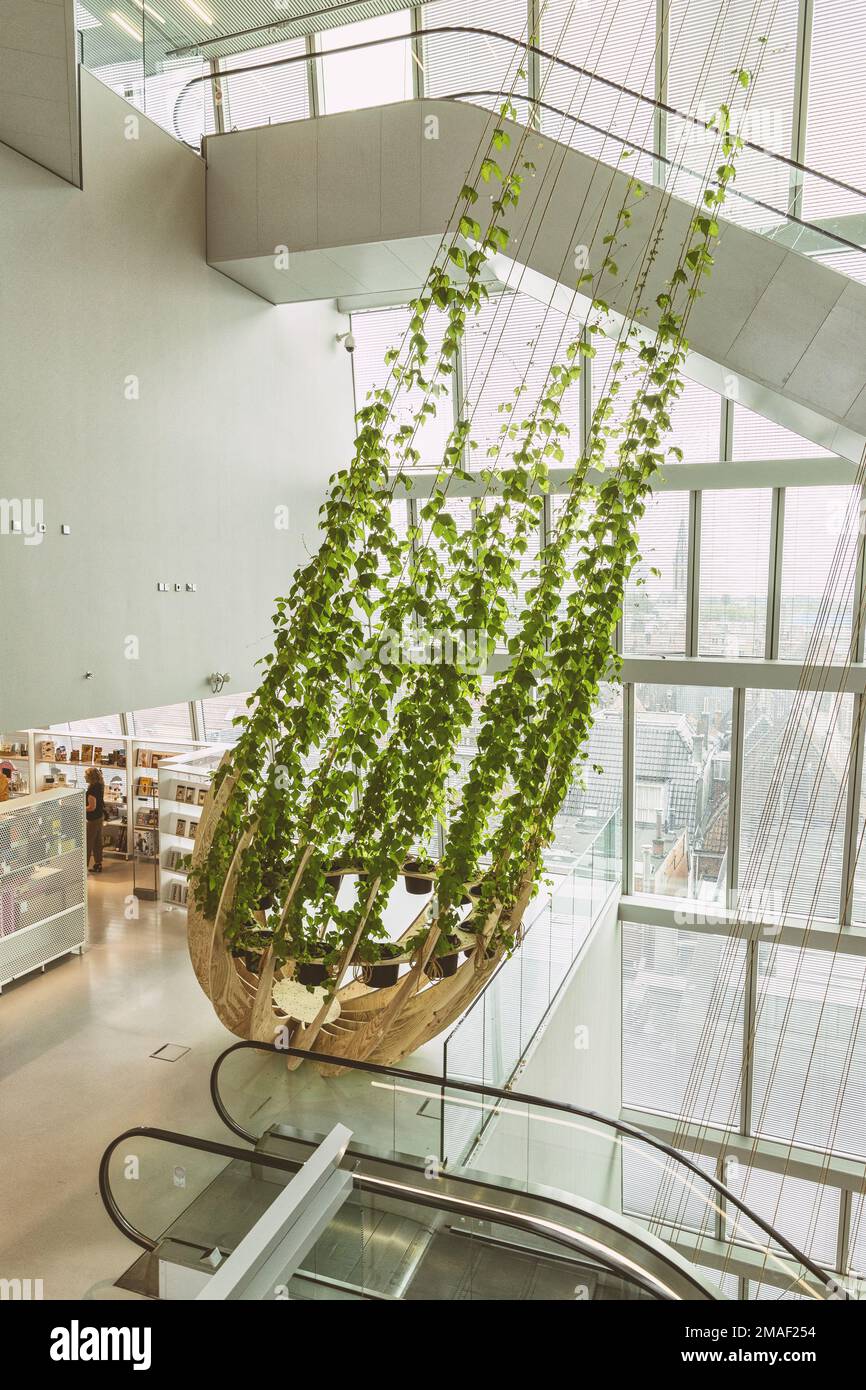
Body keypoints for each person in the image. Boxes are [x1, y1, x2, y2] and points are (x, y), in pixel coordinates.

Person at [85, 766, 105, 873]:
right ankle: (98, 863)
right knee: (97, 841)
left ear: (90, 777)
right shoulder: (100, 785)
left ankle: (84, 866)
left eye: (86, 775)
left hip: (92, 820)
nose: (84, 777)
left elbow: (91, 807)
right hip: (99, 817)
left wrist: (80, 808)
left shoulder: (92, 790)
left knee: (88, 843)